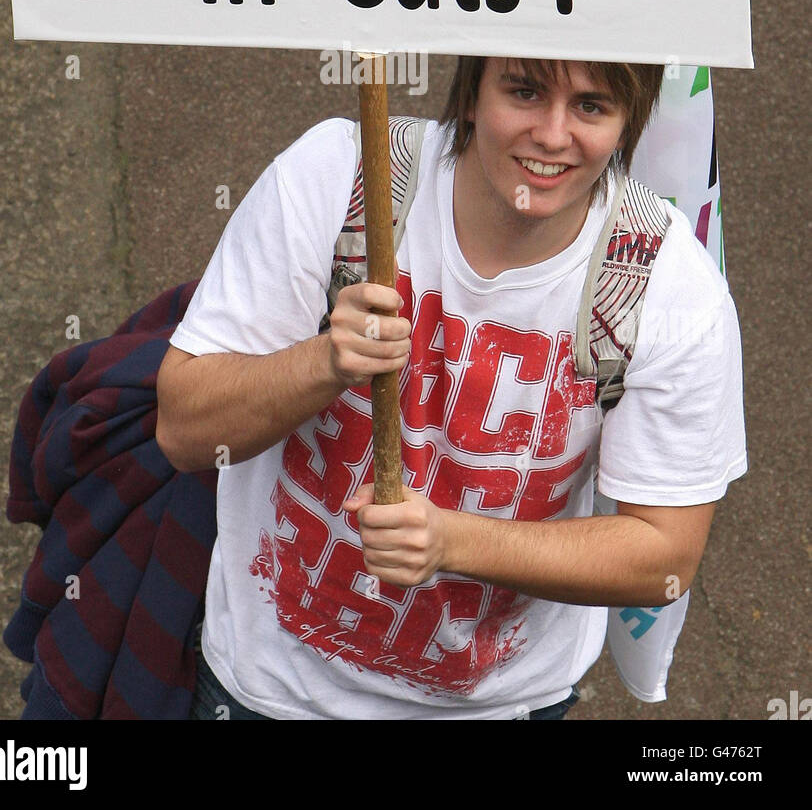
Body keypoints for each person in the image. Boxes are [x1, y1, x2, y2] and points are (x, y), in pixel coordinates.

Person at [155, 55, 746, 720]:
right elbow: (184, 433)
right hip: (267, 694)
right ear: (471, 93)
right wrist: (325, 362)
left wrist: (451, 541)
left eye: (590, 106)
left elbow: (662, 554)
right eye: (524, 91)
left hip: (500, 707)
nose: (553, 136)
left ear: (627, 124)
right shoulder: (336, 178)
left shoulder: (668, 290)